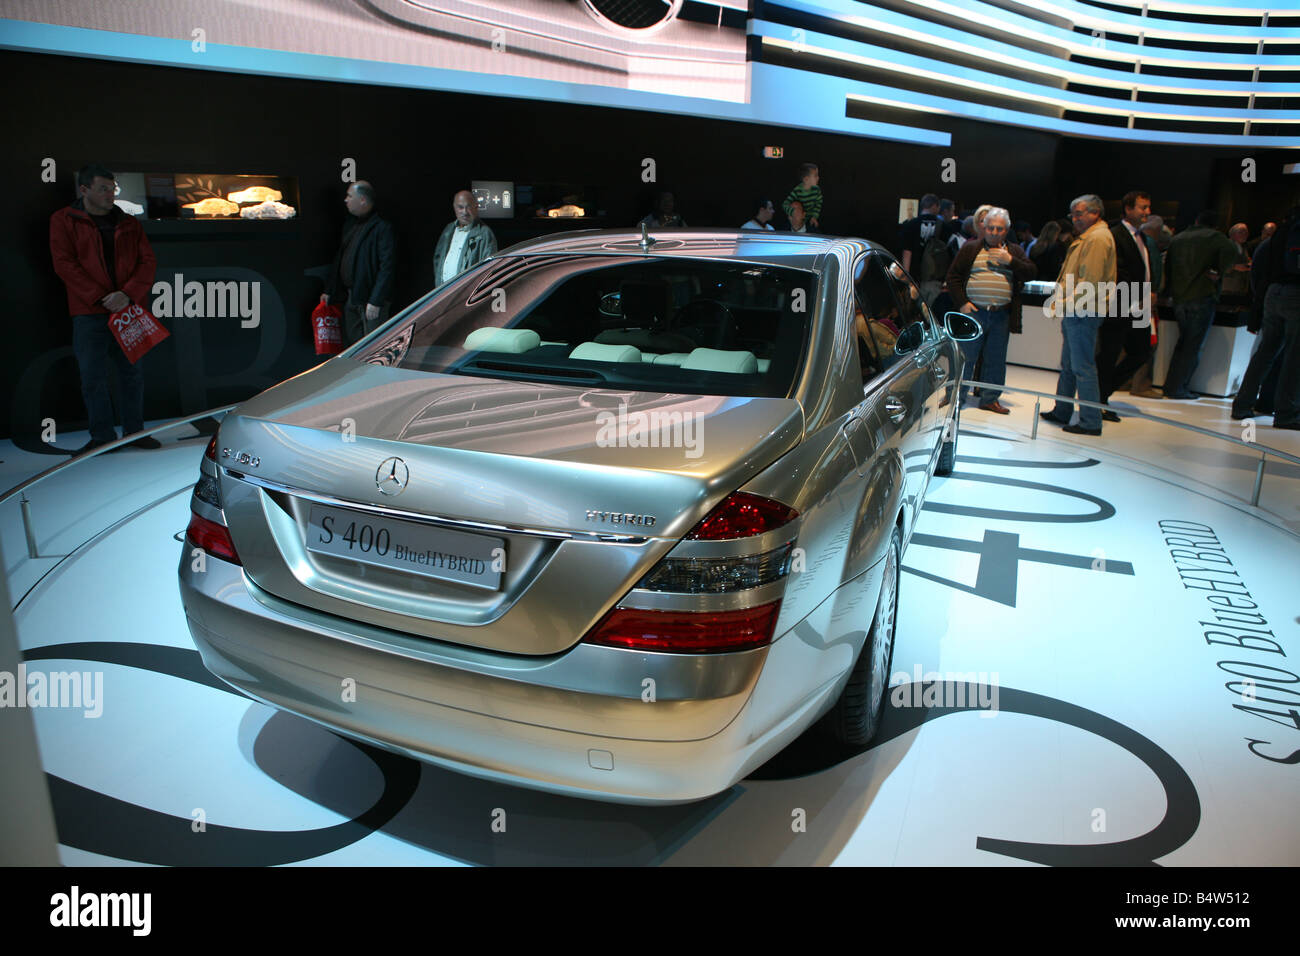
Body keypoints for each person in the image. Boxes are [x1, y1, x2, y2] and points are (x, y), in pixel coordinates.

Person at [49, 163, 160, 454]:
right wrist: (102, 297)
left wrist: (126, 295)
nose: (110, 194)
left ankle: (135, 433)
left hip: (128, 310)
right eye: (103, 189)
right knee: (92, 376)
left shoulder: (129, 222)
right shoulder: (63, 220)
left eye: (113, 189)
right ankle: (102, 437)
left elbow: (147, 262)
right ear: (84, 189)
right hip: (89, 312)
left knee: (132, 375)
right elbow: (64, 264)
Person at [945, 206, 1035, 413]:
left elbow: (1031, 272)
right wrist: (962, 303)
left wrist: (1011, 261)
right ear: (983, 228)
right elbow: (953, 277)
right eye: (991, 228)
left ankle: (990, 399)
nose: (994, 233)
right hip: (973, 312)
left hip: (1001, 314)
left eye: (1000, 229)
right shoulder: (971, 248)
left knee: (995, 359)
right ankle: (955, 397)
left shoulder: (1014, 251)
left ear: (1007, 230)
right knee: (965, 357)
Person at [1040, 194, 1115, 436]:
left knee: (1081, 367)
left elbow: (1088, 282)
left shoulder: (1096, 239)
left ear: (1096, 213)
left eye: (1079, 213)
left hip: (1083, 310)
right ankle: (1062, 410)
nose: (1074, 218)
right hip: (1079, 310)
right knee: (1071, 366)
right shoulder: (1091, 237)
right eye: (1073, 213)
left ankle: (1090, 421)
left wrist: (1063, 306)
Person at [1232, 207, 1300, 429]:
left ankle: (1242, 405)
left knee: (1265, 352)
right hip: (1295, 294)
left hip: (1273, 293)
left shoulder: (1282, 229)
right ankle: (1287, 414)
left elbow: (1260, 266)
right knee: (1293, 357)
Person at [1163, 210, 1239, 399]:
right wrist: (1217, 271)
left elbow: (1168, 266)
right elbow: (1232, 253)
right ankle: (1177, 388)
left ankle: (1172, 385)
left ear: (1197, 220)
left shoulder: (1178, 238)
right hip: (1202, 295)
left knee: (1183, 343)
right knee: (1192, 345)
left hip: (1179, 297)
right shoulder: (1216, 238)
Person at [1097, 191, 1156, 420]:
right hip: (1120, 303)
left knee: (1141, 351)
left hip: (1139, 305)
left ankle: (1101, 392)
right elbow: (1116, 272)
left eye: (1148, 207)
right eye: (1143, 207)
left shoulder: (1142, 237)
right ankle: (1099, 399)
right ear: (1128, 209)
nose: (1147, 212)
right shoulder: (1115, 235)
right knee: (1109, 353)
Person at [322, 181, 395, 344]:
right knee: (355, 345)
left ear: (362, 199)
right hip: (352, 296)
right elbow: (341, 258)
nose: (345, 200)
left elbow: (387, 267)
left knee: (375, 347)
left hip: (370, 300)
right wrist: (330, 290)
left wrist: (376, 300)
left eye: (349, 196)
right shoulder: (351, 224)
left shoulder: (382, 227)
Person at [434, 189, 498, 288]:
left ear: (476, 207)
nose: (465, 212)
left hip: (467, 295)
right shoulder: (449, 229)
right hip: (444, 293)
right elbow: (438, 259)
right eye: (460, 207)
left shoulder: (484, 233)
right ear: (454, 208)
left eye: (469, 207)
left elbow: (489, 268)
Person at [783, 163, 822, 231]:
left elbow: (818, 204)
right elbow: (785, 204)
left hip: (808, 221)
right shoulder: (797, 191)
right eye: (815, 176)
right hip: (797, 220)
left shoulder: (817, 190)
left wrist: (814, 217)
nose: (818, 178)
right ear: (806, 179)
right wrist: (793, 213)